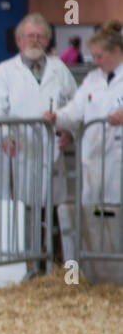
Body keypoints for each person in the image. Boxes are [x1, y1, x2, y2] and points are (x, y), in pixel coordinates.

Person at [0, 13, 79, 266]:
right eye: (30, 36)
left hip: (52, 152)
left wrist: (69, 130)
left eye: (40, 36)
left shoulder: (60, 70)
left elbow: (76, 105)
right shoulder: (4, 71)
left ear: (48, 40)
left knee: (53, 208)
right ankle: (20, 262)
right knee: (20, 209)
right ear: (18, 40)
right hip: (19, 152)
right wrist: (4, 137)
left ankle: (53, 262)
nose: (35, 41)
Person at [46, 20, 123, 282]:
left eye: (100, 56)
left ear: (115, 52)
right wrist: (56, 117)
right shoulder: (91, 79)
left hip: (118, 156)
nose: (96, 60)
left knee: (118, 212)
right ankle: (97, 270)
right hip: (93, 159)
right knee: (93, 215)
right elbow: (75, 111)